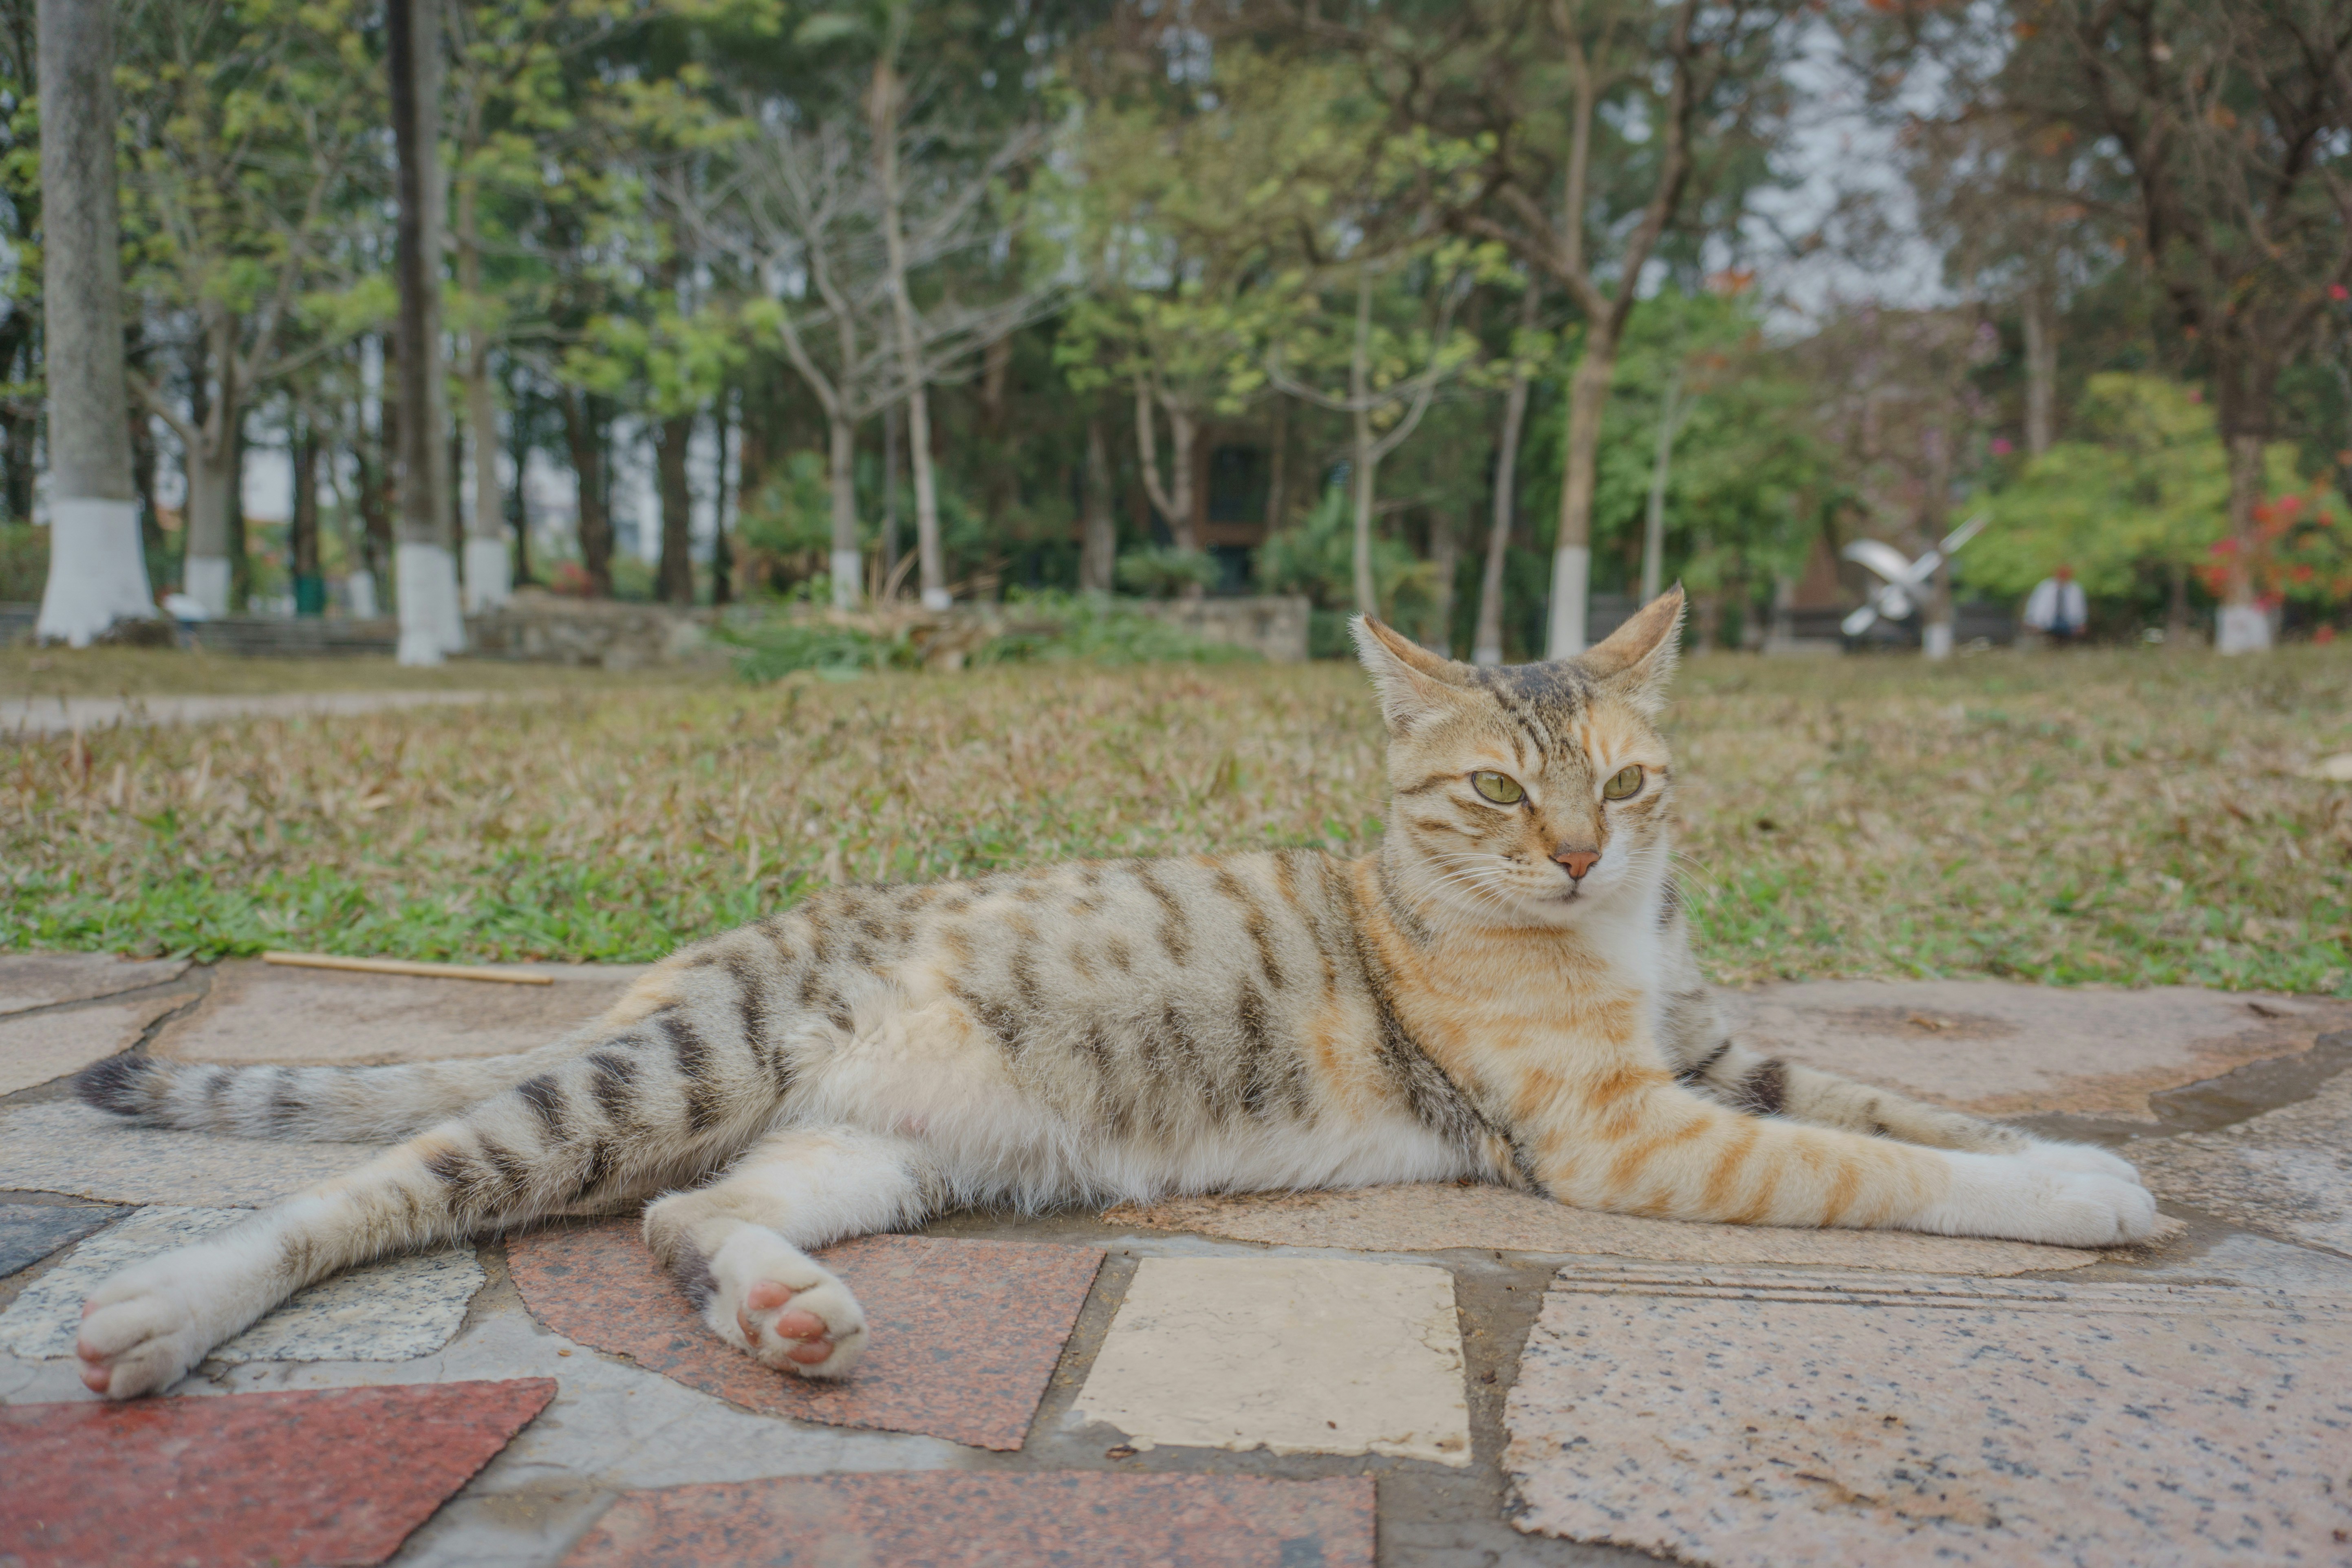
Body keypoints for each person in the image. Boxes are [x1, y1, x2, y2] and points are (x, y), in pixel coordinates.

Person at [2023, 565, 2087, 646]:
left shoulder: (2075, 589)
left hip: (2069, 622)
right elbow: (2034, 605)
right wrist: (2031, 621)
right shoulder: (2045, 587)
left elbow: (2080, 608)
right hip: (2046, 621)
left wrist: (2082, 623)